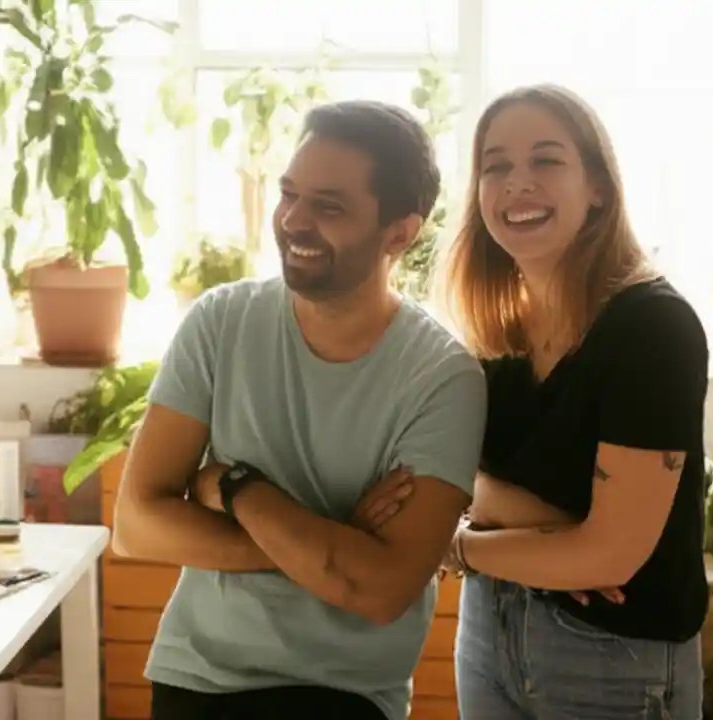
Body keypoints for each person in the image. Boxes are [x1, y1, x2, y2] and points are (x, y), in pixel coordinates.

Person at [112, 99, 487, 720]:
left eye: (329, 206)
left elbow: (382, 590)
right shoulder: (220, 322)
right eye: (290, 195)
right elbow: (136, 524)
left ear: (400, 232)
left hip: (343, 696)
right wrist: (336, 543)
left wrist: (238, 490)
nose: (293, 221)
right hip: (197, 677)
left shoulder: (442, 376)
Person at [438, 83, 709, 718]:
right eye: (495, 165)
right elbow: (448, 478)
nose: (516, 182)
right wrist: (559, 537)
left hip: (612, 656)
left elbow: (609, 556)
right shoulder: (495, 330)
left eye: (547, 160)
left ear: (599, 188)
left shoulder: (653, 328)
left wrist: (456, 546)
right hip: (489, 627)